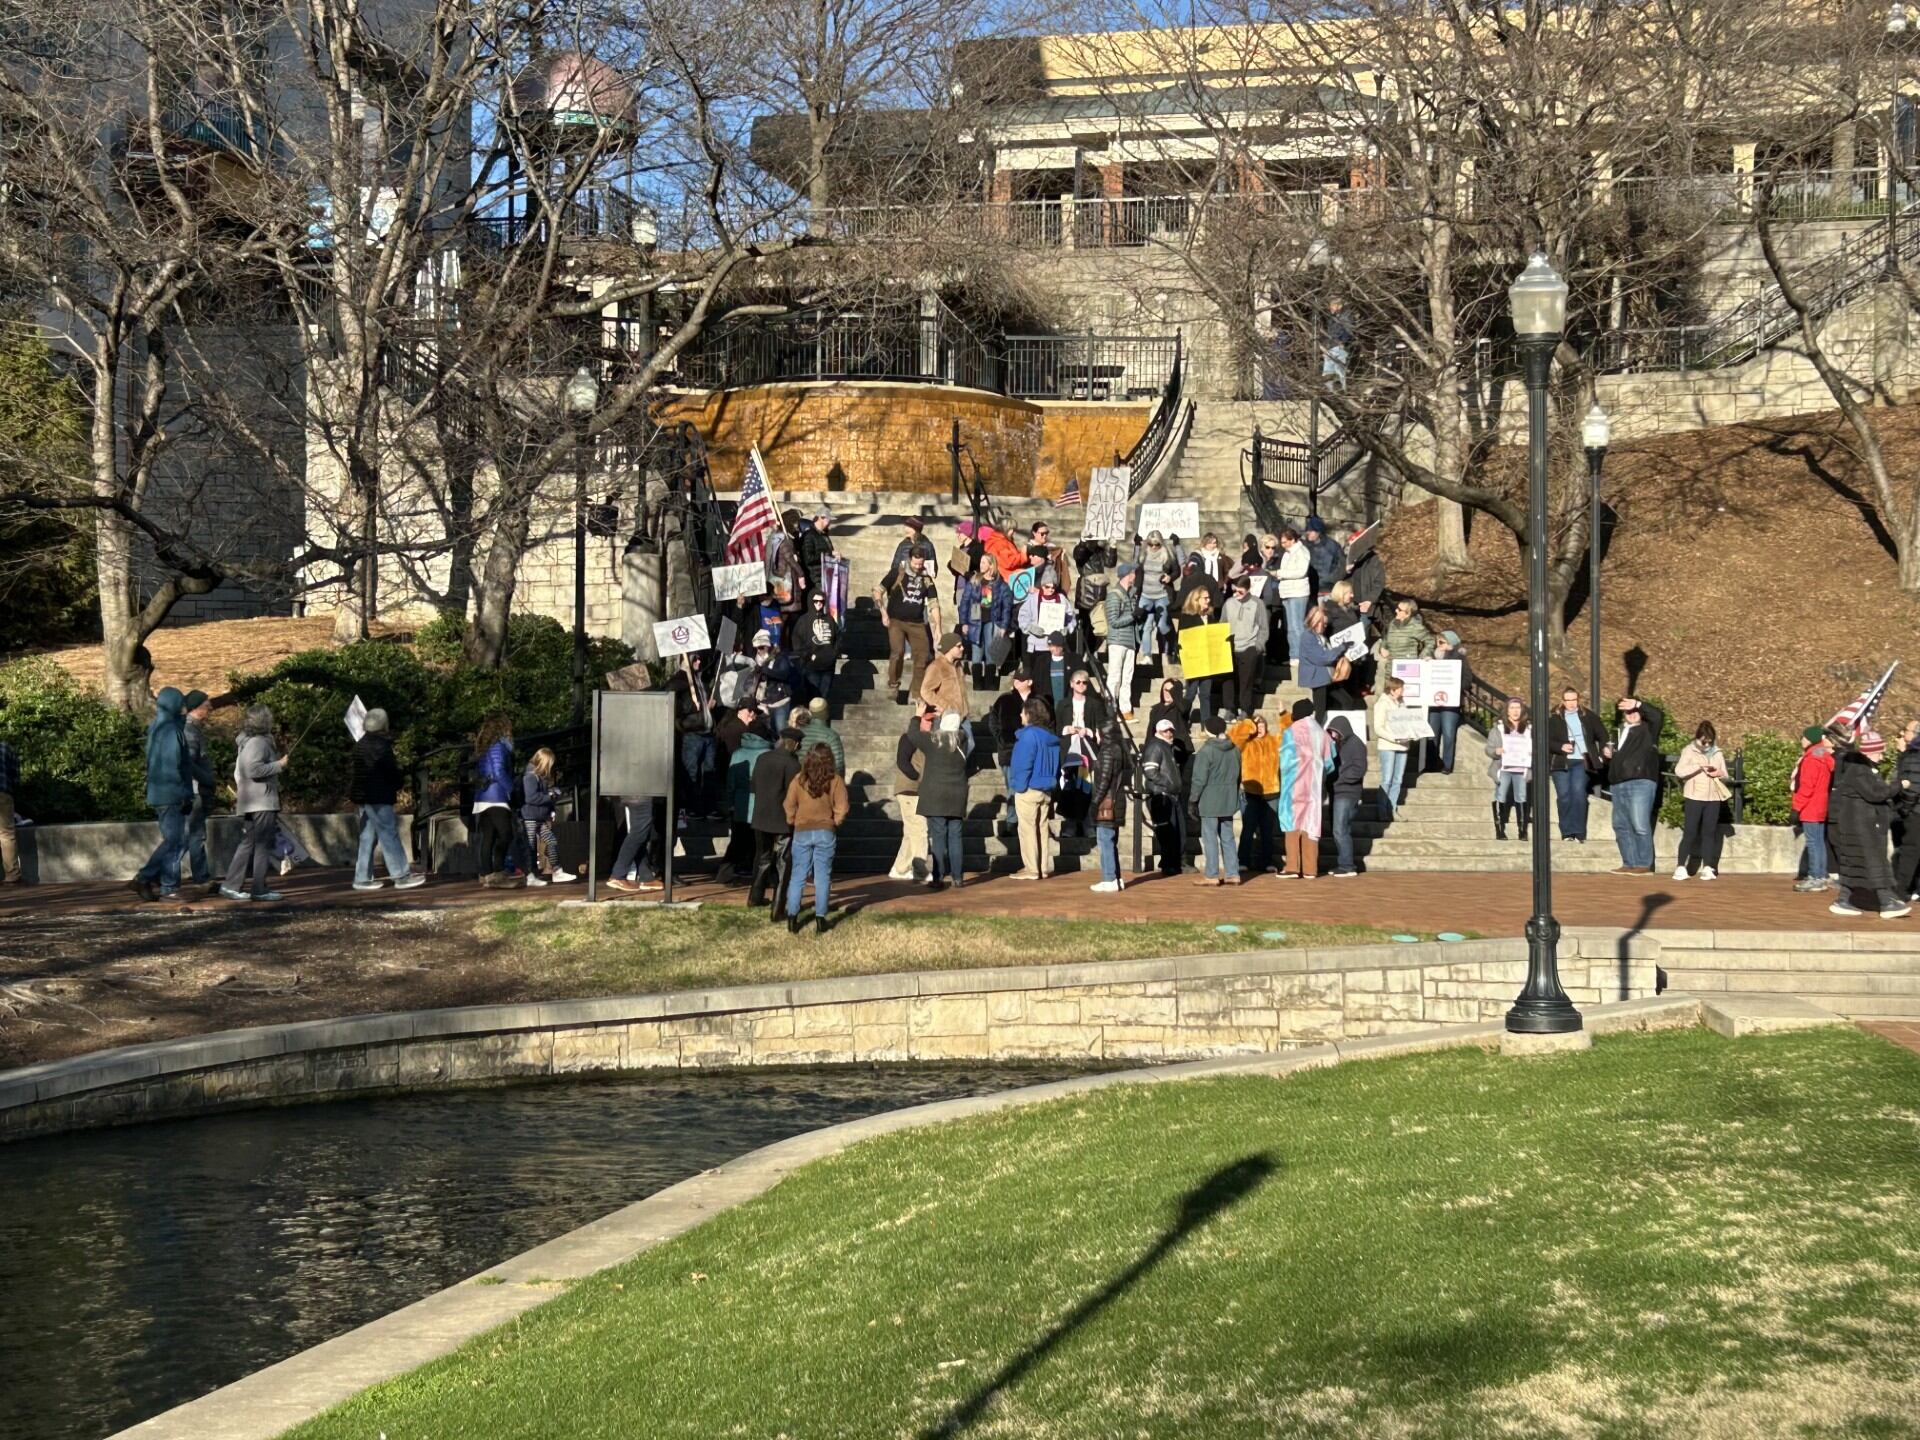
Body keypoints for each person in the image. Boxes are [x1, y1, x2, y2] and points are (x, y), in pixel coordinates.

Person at [1826, 727, 1910, 919]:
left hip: (1858, 825)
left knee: (1856, 864)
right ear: (1870, 752)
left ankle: (1844, 900)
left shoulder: (1860, 769)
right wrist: (1899, 785)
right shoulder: (1858, 770)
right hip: (1860, 827)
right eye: (1879, 751)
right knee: (1875, 862)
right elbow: (1876, 793)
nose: (1881, 756)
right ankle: (1887, 902)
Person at [128, 686, 194, 902]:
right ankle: (166, 886)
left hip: (162, 793)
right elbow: (172, 766)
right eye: (181, 704)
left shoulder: (158, 727)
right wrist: (184, 792)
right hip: (171, 794)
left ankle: (148, 878)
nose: (184, 708)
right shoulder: (170, 731)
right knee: (175, 841)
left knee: (175, 840)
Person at [221, 704, 291, 902]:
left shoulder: (247, 741)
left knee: (249, 843)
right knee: (262, 845)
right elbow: (253, 770)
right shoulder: (259, 743)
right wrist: (279, 765)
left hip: (250, 801)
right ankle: (259, 888)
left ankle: (231, 885)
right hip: (261, 801)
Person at [350, 708, 424, 891]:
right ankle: (401, 875)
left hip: (364, 796)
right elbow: (391, 772)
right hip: (379, 796)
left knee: (367, 836)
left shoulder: (360, 744)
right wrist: (398, 783)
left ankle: (362, 877)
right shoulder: (382, 746)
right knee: (388, 834)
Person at [782, 742, 849, 934]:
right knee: (822, 876)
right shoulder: (835, 780)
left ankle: (792, 917)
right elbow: (842, 807)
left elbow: (788, 804)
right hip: (825, 830)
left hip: (802, 829)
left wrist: (792, 820)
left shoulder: (799, 780)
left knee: (798, 876)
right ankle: (821, 918)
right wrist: (835, 821)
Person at [1602, 696, 1664, 875]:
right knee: (1620, 825)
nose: (1632, 714)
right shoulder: (1619, 732)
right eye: (1628, 711)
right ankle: (1629, 862)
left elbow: (1658, 716)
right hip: (1618, 783)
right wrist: (1607, 754)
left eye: (1635, 710)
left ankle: (1644, 864)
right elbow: (1615, 756)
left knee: (1639, 823)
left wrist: (1639, 704)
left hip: (1640, 781)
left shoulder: (1648, 730)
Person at [914, 710, 972, 890]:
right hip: (957, 795)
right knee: (956, 836)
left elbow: (912, 735)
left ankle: (938, 877)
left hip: (936, 796)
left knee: (938, 837)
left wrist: (917, 717)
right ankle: (958, 877)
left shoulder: (933, 742)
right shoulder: (963, 743)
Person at [746, 727, 803, 908]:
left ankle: (754, 897)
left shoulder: (763, 758)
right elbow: (795, 796)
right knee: (783, 862)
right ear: (794, 744)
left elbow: (753, 786)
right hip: (783, 820)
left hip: (761, 816)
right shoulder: (793, 765)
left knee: (762, 859)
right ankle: (779, 904)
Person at [1007, 702, 1061, 881]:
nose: (1021, 716)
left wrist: (1019, 786)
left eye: (1023, 713)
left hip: (1029, 788)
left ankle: (1031, 868)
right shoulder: (1050, 737)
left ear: (1030, 714)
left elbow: (1023, 764)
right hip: (1045, 788)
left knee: (1028, 829)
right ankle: (1042, 867)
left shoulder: (1029, 736)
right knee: (1042, 828)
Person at [1277, 699, 1330, 880]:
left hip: (1294, 784)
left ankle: (1292, 866)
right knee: (1311, 823)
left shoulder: (1291, 731)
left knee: (1291, 821)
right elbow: (1330, 763)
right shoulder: (1322, 734)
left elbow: (1284, 759)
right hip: (1314, 787)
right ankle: (1310, 869)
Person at [1673, 721, 1732, 881]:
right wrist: (1698, 767)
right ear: (1698, 737)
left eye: (1709, 741)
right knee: (1690, 832)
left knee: (1709, 833)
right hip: (1694, 797)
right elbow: (1679, 771)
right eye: (1703, 741)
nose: (1706, 744)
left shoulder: (1717, 753)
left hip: (1713, 798)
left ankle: (1708, 867)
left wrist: (1719, 773)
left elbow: (1726, 776)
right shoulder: (1689, 751)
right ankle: (1680, 867)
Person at [1189, 714, 1243, 886]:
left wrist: (1193, 799)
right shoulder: (1235, 749)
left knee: (1210, 836)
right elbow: (1239, 775)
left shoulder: (1206, 751)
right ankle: (1233, 873)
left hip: (1210, 799)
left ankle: (1212, 874)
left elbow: (1199, 779)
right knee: (1227, 836)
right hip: (1228, 798)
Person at [174, 690, 218, 894]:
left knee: (189, 836)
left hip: (193, 790)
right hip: (195, 791)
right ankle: (200, 879)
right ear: (197, 708)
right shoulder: (190, 732)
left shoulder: (190, 729)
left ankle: (158, 874)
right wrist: (207, 779)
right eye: (207, 706)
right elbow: (189, 762)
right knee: (194, 836)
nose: (210, 709)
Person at [1547, 688, 1604, 843]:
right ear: (1562, 701)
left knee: (1578, 793)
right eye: (1568, 700)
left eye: (1574, 700)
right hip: (1561, 762)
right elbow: (1545, 739)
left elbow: (1602, 734)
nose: (1571, 703)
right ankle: (1567, 832)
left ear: (1578, 699)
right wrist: (1560, 747)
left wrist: (1603, 749)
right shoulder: (1554, 718)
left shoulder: (1588, 716)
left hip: (1582, 761)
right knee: (1564, 796)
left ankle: (1578, 832)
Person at [718, 717, 771, 883]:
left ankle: (724, 874)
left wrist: (730, 803)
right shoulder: (768, 755)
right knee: (759, 844)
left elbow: (731, 782)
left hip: (740, 805)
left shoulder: (738, 753)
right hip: (761, 805)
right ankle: (757, 876)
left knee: (737, 842)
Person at [469, 711, 519, 887]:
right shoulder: (499, 746)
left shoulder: (484, 747)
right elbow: (498, 771)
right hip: (496, 796)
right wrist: (511, 790)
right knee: (506, 834)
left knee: (488, 836)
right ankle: (497, 871)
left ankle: (486, 873)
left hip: (482, 796)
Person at [1228, 712, 1281, 875]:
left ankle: (1266, 861)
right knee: (1248, 829)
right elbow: (1233, 737)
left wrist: (1284, 716)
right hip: (1251, 792)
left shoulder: (1274, 741)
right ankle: (1243, 860)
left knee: (1267, 830)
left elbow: (1288, 735)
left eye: (1262, 725)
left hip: (1271, 792)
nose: (1260, 729)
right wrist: (1248, 723)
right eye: (1257, 726)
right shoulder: (1246, 744)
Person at [517, 747, 575, 887]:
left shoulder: (538, 777)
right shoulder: (531, 776)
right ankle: (531, 875)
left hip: (539, 817)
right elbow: (531, 798)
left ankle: (556, 871)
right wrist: (549, 796)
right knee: (531, 847)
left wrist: (550, 802)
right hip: (530, 817)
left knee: (550, 841)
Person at [891, 705, 935, 882]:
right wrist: (917, 778)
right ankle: (920, 869)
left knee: (911, 831)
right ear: (919, 719)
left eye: (933, 721)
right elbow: (902, 761)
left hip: (915, 790)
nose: (931, 724)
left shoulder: (926, 739)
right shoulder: (909, 737)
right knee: (920, 828)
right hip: (909, 789)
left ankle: (900, 868)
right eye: (928, 720)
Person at [990, 672, 1037, 834]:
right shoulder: (1004, 700)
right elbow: (993, 722)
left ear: (1029, 681)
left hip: (1034, 752)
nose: (1017, 681)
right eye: (1016, 679)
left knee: (1032, 789)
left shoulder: (1039, 701)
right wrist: (1002, 739)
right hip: (1010, 752)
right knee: (1012, 788)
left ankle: (1029, 822)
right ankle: (1012, 821)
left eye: (1021, 679)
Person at [1141, 716, 1187, 877]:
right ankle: (1168, 864)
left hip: (1171, 795)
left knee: (1176, 831)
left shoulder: (1168, 747)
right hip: (1162, 796)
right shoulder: (1155, 746)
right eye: (1166, 731)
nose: (1169, 733)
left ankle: (1174, 863)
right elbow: (1150, 771)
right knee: (1166, 831)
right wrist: (1167, 783)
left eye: (1171, 730)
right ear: (1158, 732)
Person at [1792, 725, 1836, 892]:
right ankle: (1822, 875)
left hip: (1810, 806)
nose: (1801, 740)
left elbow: (1806, 786)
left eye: (1803, 737)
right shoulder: (1823, 755)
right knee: (1819, 842)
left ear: (1810, 739)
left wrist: (1796, 807)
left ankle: (1814, 877)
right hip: (1821, 804)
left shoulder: (1811, 758)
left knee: (1812, 842)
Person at [1087, 718, 1129, 893]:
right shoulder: (1120, 749)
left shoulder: (1107, 751)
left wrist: (1095, 802)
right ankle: (1116, 877)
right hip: (1117, 799)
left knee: (1104, 840)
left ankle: (1109, 878)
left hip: (1108, 802)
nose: (1096, 735)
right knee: (1110, 840)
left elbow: (1104, 780)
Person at [1222, 570, 1270, 718]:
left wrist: (1258, 646)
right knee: (1228, 681)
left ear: (1248, 589)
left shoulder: (1258, 604)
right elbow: (1222, 624)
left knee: (1246, 681)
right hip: (1231, 646)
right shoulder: (1229, 603)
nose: (1237, 594)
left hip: (1249, 647)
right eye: (1235, 590)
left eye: (1241, 592)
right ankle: (1229, 708)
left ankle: (1245, 709)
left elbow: (1263, 628)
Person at [1326, 714, 1366, 876]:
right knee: (1341, 829)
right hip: (1339, 792)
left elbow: (1359, 769)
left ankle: (1347, 865)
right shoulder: (1340, 745)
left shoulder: (1356, 744)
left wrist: (1339, 779)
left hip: (1347, 793)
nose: (1333, 735)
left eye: (1335, 732)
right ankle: (1344, 863)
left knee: (1340, 829)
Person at [1486, 697, 1531, 841]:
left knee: (1521, 797)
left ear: (1522, 710)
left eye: (1518, 708)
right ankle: (1500, 830)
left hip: (1522, 768)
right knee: (1501, 795)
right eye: (1512, 708)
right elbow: (1488, 748)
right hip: (1503, 767)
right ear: (1507, 711)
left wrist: (1531, 753)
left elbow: (1534, 747)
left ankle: (1522, 830)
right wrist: (1496, 751)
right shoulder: (1498, 728)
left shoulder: (1529, 729)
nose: (1515, 711)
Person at [1294, 605, 1349, 722]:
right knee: (1320, 710)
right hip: (1318, 678)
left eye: (1325, 624)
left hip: (1325, 677)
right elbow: (1321, 658)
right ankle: (1317, 733)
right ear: (1314, 621)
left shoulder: (1319, 636)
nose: (1324, 626)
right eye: (1322, 623)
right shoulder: (1308, 637)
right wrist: (1341, 648)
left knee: (1345, 701)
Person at [958, 555, 1012, 673]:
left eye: (984, 562)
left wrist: (1004, 626)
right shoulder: (974, 581)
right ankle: (976, 682)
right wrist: (964, 623)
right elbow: (965, 602)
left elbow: (1007, 607)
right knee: (976, 652)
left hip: (993, 622)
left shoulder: (1001, 585)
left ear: (991, 565)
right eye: (981, 562)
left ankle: (990, 681)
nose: (981, 565)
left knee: (991, 653)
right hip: (975, 621)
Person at [1175, 585, 1219, 725]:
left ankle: (1206, 725)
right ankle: (1182, 720)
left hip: (1207, 661)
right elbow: (1181, 639)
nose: (1208, 600)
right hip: (1193, 660)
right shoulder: (1187, 617)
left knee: (1206, 693)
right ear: (1196, 599)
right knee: (1191, 692)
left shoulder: (1211, 616)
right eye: (1205, 598)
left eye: (1208, 598)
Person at [1427, 632, 1469, 775]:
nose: (1438, 645)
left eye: (1442, 642)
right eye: (1437, 642)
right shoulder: (1431, 658)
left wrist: (1454, 689)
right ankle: (1431, 763)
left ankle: (1446, 765)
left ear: (1450, 643)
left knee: (1449, 733)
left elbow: (1467, 680)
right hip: (1434, 703)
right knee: (1432, 734)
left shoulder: (1459, 658)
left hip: (1451, 704)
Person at [606, 793, 665, 895]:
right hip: (639, 793)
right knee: (639, 833)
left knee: (642, 833)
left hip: (635, 793)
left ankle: (646, 876)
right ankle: (617, 875)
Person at [1104, 563, 1142, 717]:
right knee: (1114, 676)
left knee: (1127, 677)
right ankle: (1110, 708)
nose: (1135, 576)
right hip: (1117, 640)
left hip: (1130, 641)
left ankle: (1125, 708)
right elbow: (1113, 621)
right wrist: (1133, 615)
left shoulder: (1130, 594)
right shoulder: (1114, 594)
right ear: (1128, 574)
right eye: (1133, 573)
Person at [1374, 677, 1415, 819]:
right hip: (1388, 745)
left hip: (1403, 745)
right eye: (1400, 689)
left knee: (1398, 779)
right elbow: (1378, 728)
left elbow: (1407, 721)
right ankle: (1382, 810)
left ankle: (1393, 809)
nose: (1402, 692)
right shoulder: (1382, 703)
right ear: (1392, 689)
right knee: (1387, 778)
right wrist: (1394, 738)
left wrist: (1413, 732)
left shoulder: (1401, 703)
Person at [1272, 529, 1312, 674]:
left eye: (1284, 542)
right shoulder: (1287, 553)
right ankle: (1294, 655)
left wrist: (1280, 574)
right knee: (1289, 626)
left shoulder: (1302, 551)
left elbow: (1301, 571)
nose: (1282, 545)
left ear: (1292, 540)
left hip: (1298, 592)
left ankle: (1302, 656)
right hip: (1287, 592)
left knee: (1297, 626)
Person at [1018, 567, 1071, 676]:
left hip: (1055, 647)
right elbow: (1022, 618)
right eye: (1047, 587)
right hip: (1036, 646)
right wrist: (1030, 628)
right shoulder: (1033, 599)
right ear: (1042, 586)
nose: (1051, 590)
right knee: (1036, 677)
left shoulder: (1061, 599)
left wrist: (1067, 628)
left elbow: (1071, 617)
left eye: (1053, 587)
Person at [793, 589, 841, 707]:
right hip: (811, 667)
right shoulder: (803, 620)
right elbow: (796, 642)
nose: (819, 603)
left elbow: (837, 638)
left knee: (824, 699)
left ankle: (821, 721)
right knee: (813, 698)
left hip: (828, 666)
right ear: (810, 601)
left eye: (821, 601)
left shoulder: (830, 619)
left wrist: (833, 654)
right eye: (816, 601)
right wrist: (807, 656)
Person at [1135, 531, 1178, 659]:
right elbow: (1137, 569)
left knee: (1162, 625)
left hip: (1161, 595)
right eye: (1150, 544)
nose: (1153, 547)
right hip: (1146, 595)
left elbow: (1177, 571)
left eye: (1156, 544)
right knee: (1146, 626)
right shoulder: (1144, 554)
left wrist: (1170, 577)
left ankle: (1173, 643)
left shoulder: (1167, 554)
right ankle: (1147, 655)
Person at [1893, 719, 1920, 901]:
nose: (1903, 734)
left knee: (1910, 851)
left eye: (1907, 730)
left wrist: (1904, 808)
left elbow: (1912, 785)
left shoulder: (1914, 754)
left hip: (1915, 812)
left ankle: (1900, 892)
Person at [921, 631, 969, 721]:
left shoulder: (958, 666)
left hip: (963, 717)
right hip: (946, 717)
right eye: (959, 646)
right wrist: (946, 707)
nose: (962, 648)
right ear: (949, 648)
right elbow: (925, 691)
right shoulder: (937, 666)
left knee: (969, 735)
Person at [799, 696, 845, 776]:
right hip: (823, 782)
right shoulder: (831, 736)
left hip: (801, 780)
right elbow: (838, 765)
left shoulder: (800, 733)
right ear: (826, 712)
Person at [1302, 516, 1346, 598]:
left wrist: (1330, 579)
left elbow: (1342, 566)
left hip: (1328, 589)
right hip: (1307, 589)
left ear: (1318, 531)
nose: (1308, 533)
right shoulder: (1303, 546)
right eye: (1307, 530)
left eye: (1311, 531)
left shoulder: (1333, 546)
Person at [798, 509, 835, 592]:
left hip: (825, 575)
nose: (830, 523)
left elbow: (828, 552)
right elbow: (808, 558)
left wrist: (834, 556)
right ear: (821, 518)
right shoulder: (809, 535)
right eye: (829, 520)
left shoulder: (823, 535)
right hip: (814, 579)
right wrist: (829, 554)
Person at [0, 729, 18, 885]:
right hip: (3, 793)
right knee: (6, 834)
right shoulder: (6, 747)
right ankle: (11, 875)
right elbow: (15, 774)